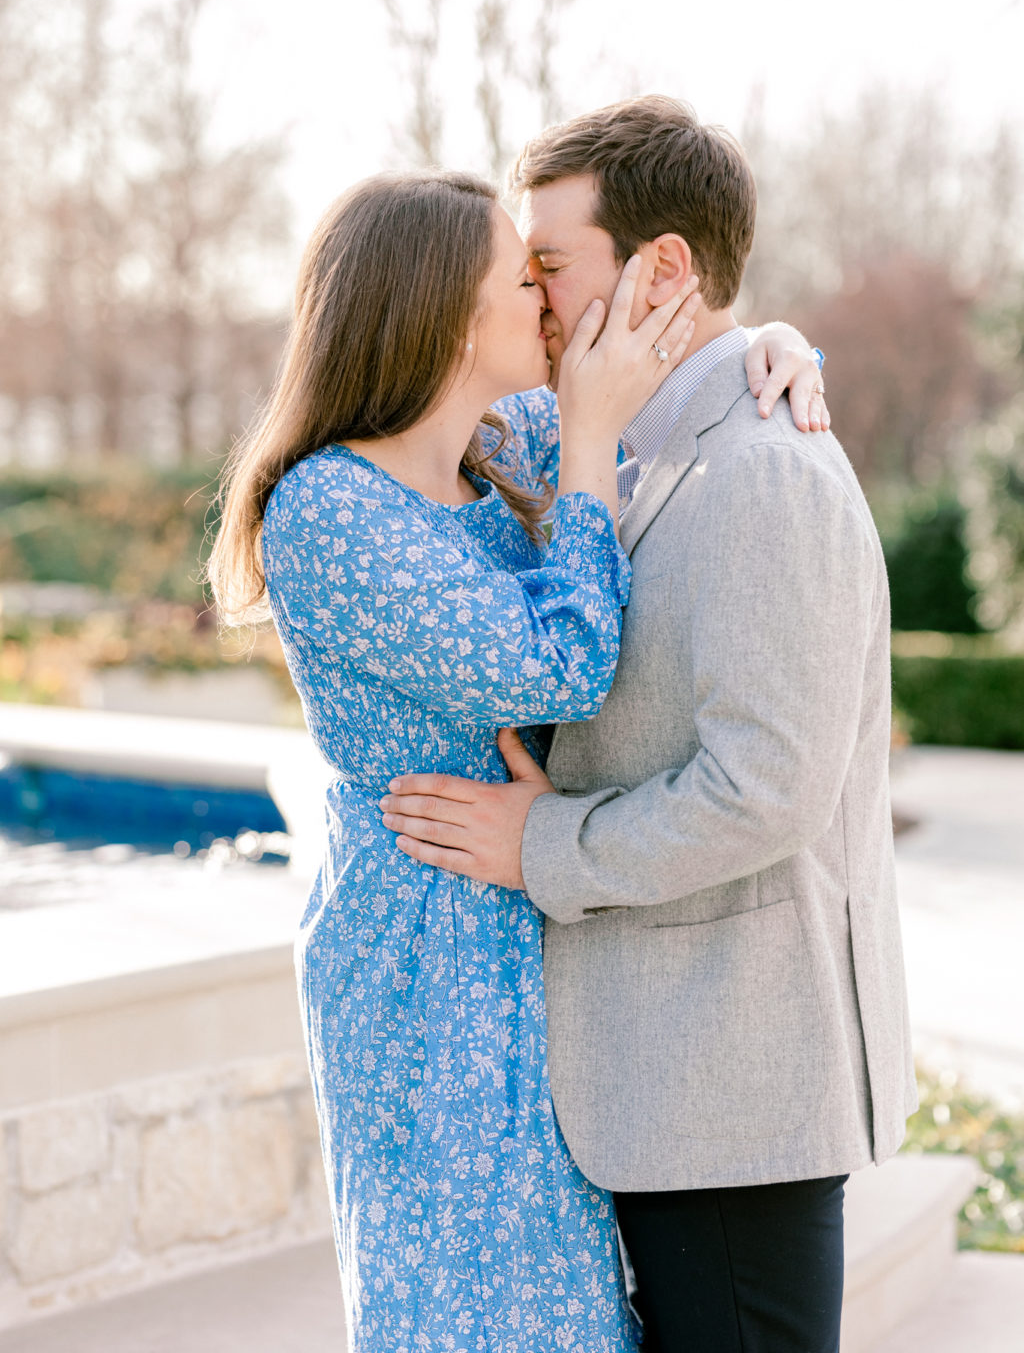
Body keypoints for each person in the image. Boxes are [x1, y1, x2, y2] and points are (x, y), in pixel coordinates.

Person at [207, 165, 827, 1352]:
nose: (548, 302)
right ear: (446, 317)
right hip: (424, 949)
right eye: (522, 278)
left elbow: (664, 359)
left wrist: (778, 344)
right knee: (466, 1306)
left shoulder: (506, 445)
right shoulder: (327, 512)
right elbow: (563, 667)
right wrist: (592, 444)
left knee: (580, 1305)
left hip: (535, 915)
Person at [381, 97, 918, 1353]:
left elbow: (766, 788)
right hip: (668, 1088)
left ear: (661, 268)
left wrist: (540, 849)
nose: (533, 299)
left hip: (733, 1097)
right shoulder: (634, 445)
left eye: (549, 265)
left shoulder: (765, 472)